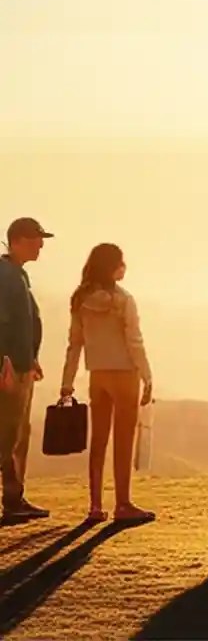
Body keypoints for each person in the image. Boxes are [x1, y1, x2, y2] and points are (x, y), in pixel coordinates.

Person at [58, 243, 156, 524]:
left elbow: (74, 345)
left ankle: (95, 506)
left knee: (98, 441)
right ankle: (123, 504)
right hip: (125, 374)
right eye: (121, 263)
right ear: (112, 267)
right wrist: (147, 375)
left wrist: (67, 383)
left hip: (97, 375)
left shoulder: (80, 299)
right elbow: (134, 342)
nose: (124, 267)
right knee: (124, 442)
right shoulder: (123, 300)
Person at [0, 217, 53, 523]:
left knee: (17, 435)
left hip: (21, 367)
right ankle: (12, 498)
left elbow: (23, 322)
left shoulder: (17, 275)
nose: (41, 245)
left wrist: (31, 357)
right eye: (36, 239)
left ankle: (14, 498)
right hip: (10, 370)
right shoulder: (6, 276)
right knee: (7, 435)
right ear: (18, 239)